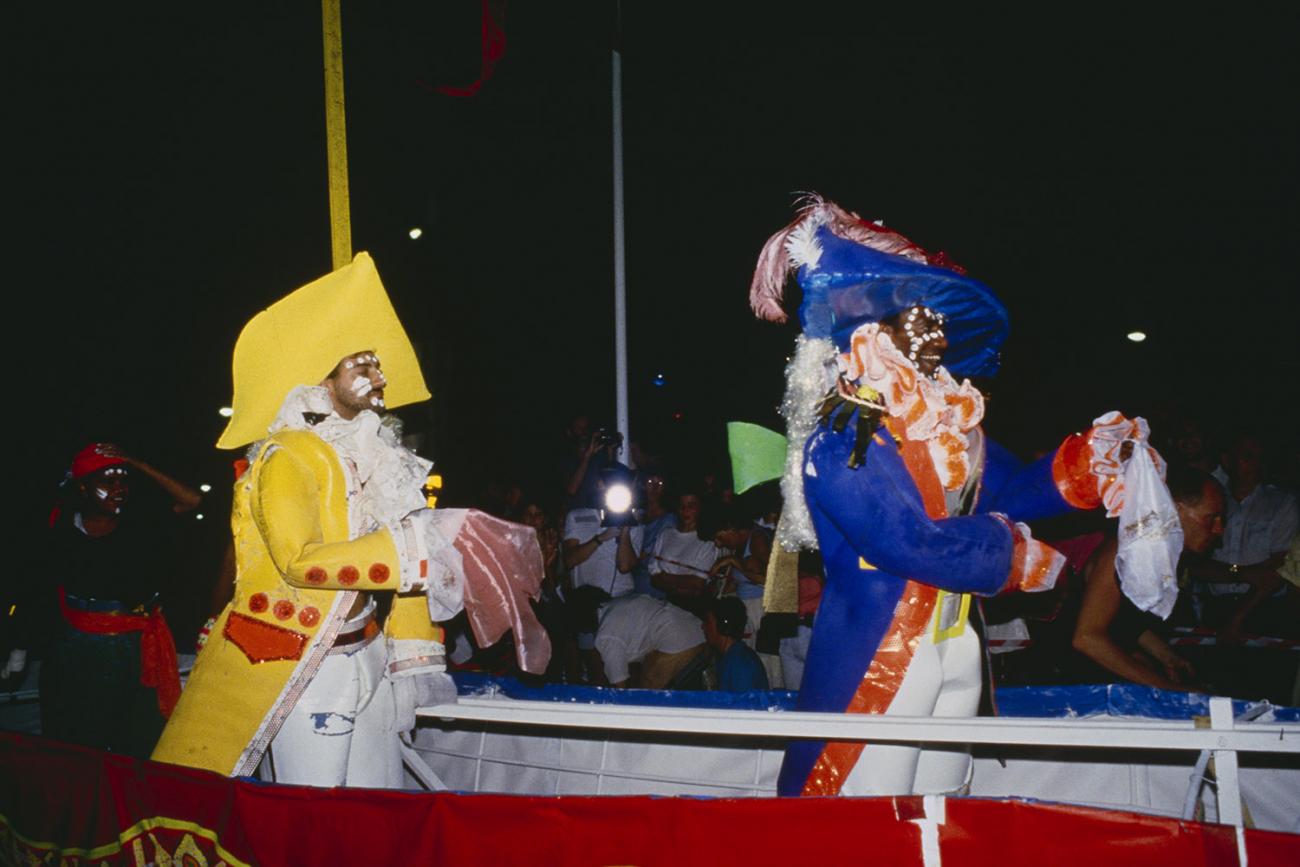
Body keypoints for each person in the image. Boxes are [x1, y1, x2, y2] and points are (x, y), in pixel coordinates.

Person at [747, 197, 1179, 797]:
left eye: (938, 319)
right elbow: (905, 542)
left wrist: (1088, 466)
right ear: (874, 336)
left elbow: (1008, 490)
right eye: (920, 317)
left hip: (953, 646)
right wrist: (1015, 558)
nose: (938, 332)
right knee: (865, 823)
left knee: (942, 810)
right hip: (880, 650)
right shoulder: (845, 436)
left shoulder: (949, 430)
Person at [152, 253, 548, 786]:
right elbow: (299, 562)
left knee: (376, 806)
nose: (381, 377)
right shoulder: (286, 456)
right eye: (363, 366)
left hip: (370, 653)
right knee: (314, 822)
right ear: (323, 375)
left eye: (377, 365)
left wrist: (413, 652)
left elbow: (408, 567)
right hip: (306, 665)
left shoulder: (380, 456)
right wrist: (415, 546)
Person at [2, 444, 199, 758]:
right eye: (107, 481)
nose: (119, 489)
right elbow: (35, 587)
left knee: (133, 735)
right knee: (73, 733)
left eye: (123, 480)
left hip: (131, 644)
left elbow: (191, 500)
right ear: (82, 487)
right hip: (74, 643)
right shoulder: (60, 526)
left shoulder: (140, 521)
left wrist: (135, 459)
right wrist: (19, 649)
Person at [1070, 466, 1225, 690]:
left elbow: (1123, 620)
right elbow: (1087, 639)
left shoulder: (1160, 555)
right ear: (1177, 511)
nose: (1219, 529)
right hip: (1076, 683)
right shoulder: (1123, 552)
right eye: (1212, 518)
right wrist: (1170, 689)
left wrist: (1166, 656)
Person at [1189, 432, 1298, 637]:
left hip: (1266, 610)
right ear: (1227, 460)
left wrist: (1239, 617)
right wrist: (1244, 572)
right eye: (1247, 456)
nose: (1254, 463)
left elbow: (1279, 569)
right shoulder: (1212, 502)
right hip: (1214, 609)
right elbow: (1195, 564)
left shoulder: (1282, 503)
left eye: (1259, 457)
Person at [569, 587, 706, 689]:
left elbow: (620, 685)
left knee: (648, 695)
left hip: (679, 640)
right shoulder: (617, 604)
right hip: (695, 628)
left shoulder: (606, 636)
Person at [648, 491, 722, 615]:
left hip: (694, 609)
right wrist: (680, 584)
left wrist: (665, 577)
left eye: (691, 505)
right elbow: (654, 576)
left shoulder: (708, 540)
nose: (685, 510)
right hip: (665, 604)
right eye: (681, 505)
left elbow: (698, 583)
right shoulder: (666, 534)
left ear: (700, 507)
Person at [704, 597, 768, 692]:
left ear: (722, 625)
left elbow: (744, 705)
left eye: (708, 622)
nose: (703, 626)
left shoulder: (740, 664)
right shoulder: (727, 656)